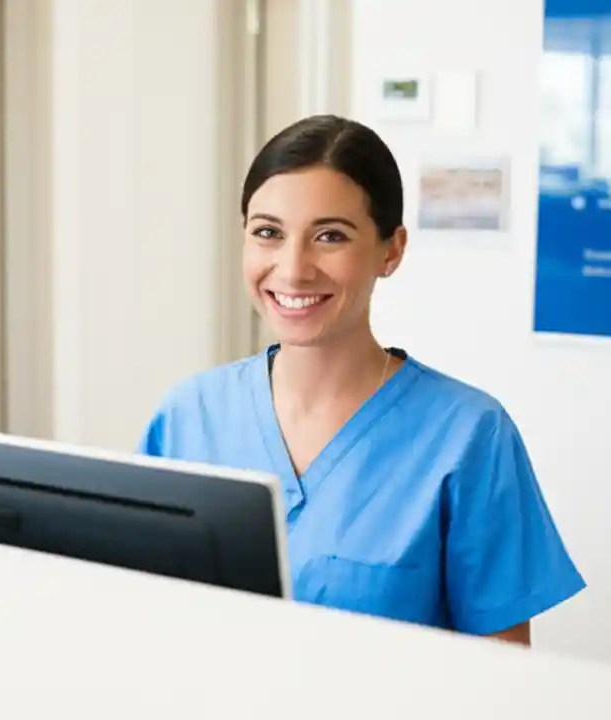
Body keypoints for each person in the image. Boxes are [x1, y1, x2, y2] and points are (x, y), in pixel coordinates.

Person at [138, 115, 584, 646]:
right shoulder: (189, 416)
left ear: (391, 250)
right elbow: (148, 621)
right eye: (267, 233)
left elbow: (503, 677)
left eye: (330, 236)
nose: (293, 268)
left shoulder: (469, 436)